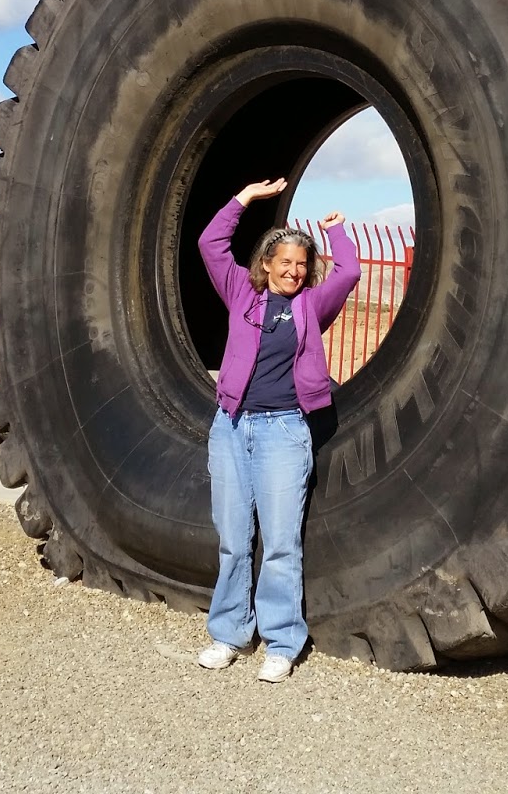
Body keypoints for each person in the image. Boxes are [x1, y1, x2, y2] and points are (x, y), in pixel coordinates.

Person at [193, 178, 362, 682]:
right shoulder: (240, 292)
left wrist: (336, 232)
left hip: (283, 432)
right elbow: (210, 243)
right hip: (231, 426)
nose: (293, 271)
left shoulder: (311, 305)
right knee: (233, 539)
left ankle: (282, 642)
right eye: (284, 262)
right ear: (266, 264)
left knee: (282, 542)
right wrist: (242, 199)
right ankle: (229, 634)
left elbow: (350, 272)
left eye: (301, 264)